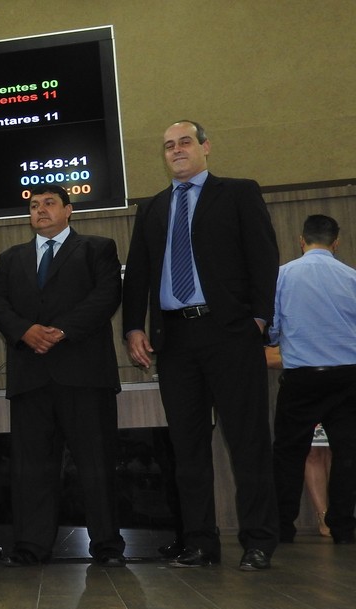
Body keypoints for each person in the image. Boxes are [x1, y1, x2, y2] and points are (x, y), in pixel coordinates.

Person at [122, 120, 280, 570]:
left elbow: (264, 257)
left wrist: (259, 319)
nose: (176, 150)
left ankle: (258, 541)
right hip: (175, 341)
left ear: (205, 147)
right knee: (187, 448)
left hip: (230, 334)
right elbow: (138, 272)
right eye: (168, 146)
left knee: (247, 442)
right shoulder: (152, 208)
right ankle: (200, 543)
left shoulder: (239, 193)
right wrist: (133, 328)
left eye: (185, 142)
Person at [0, 185, 125, 567]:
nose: (40, 210)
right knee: (32, 469)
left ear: (69, 210)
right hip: (31, 377)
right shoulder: (11, 258)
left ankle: (107, 546)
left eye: (49, 203)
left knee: (96, 465)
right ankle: (31, 546)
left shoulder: (97, 248)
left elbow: (106, 295)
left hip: (84, 375)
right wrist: (25, 331)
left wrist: (61, 331)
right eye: (34, 205)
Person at [268, 214, 356, 545]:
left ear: (302, 241)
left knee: (289, 452)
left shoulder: (282, 276)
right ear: (336, 243)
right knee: (348, 453)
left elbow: (272, 329)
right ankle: (343, 527)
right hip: (348, 375)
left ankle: (282, 526)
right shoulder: (351, 277)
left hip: (302, 377)